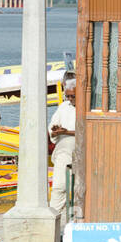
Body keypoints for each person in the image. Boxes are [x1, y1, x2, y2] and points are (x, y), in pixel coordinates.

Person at [49, 74, 76, 214]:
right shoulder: (63, 107)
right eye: (68, 96)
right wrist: (55, 131)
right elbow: (52, 127)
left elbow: (87, 130)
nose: (70, 99)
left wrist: (67, 132)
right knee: (59, 187)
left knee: (77, 190)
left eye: (73, 96)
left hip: (78, 151)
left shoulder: (86, 107)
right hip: (63, 152)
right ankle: (53, 220)